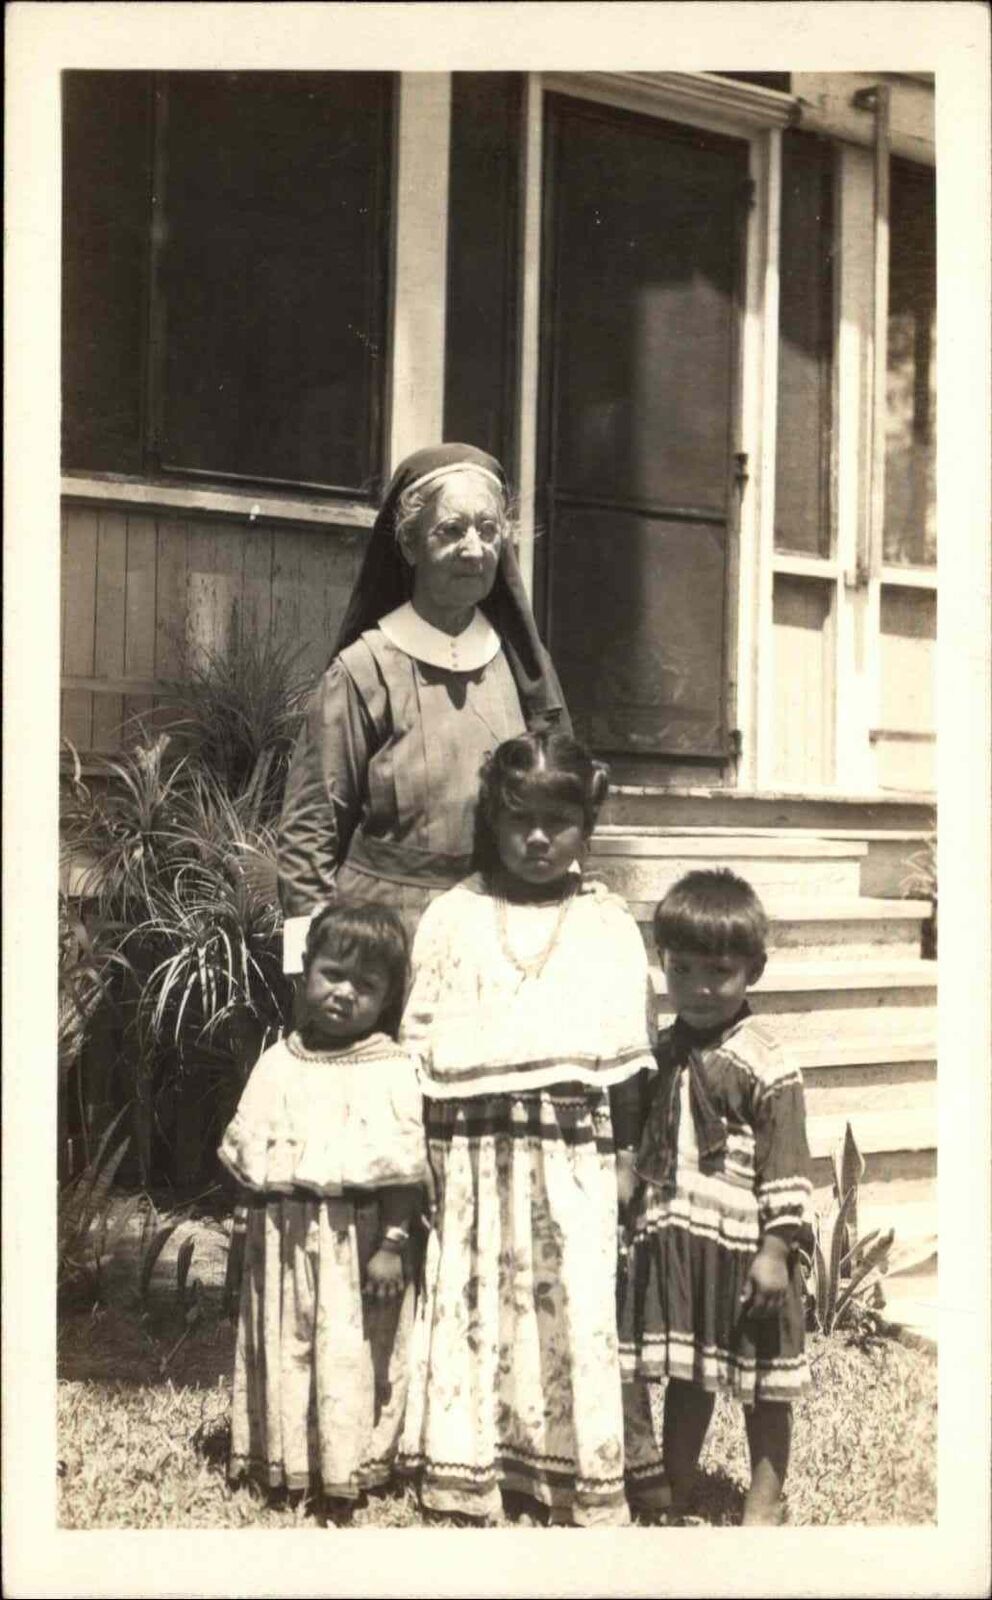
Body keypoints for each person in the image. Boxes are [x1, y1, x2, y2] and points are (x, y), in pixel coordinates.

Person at [398, 729, 666, 1526]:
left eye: (559, 821)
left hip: (571, 1149)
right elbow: (421, 1046)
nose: (539, 839)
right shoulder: (453, 916)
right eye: (520, 822)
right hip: (475, 1149)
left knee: (571, 1300)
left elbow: (625, 1062)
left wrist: (623, 1164)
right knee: (479, 1298)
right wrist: (423, 1152)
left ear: (588, 824)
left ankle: (579, 1463)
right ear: (493, 820)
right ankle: (473, 1458)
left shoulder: (607, 924)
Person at [276, 442, 570, 962]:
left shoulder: (522, 669)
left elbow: (561, 801)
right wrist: (312, 961)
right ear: (410, 545)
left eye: (487, 529)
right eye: (451, 530)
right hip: (383, 942)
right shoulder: (364, 669)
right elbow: (310, 830)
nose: (474, 548)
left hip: (496, 933)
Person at [618, 869, 812, 1525]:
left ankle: (764, 1502)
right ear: (661, 965)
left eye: (719, 973)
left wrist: (775, 1251)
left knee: (763, 1387)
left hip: (748, 1251)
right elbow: (647, 1138)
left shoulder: (764, 1059)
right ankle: (673, 1483)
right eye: (683, 970)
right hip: (683, 1243)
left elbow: (787, 1162)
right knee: (687, 1371)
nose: (699, 989)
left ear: (753, 971)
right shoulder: (662, 1053)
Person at [218, 903, 426, 1507]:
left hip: (354, 1237)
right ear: (305, 971)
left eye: (366, 986)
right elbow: (252, 1158)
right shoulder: (280, 1060)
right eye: (333, 974)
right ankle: (284, 1456)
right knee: (286, 1344)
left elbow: (403, 1171)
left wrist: (392, 1244)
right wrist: (243, 1228)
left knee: (351, 1348)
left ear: (388, 997)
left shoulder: (390, 1068)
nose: (344, 994)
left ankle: (351, 1461)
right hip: (281, 1236)